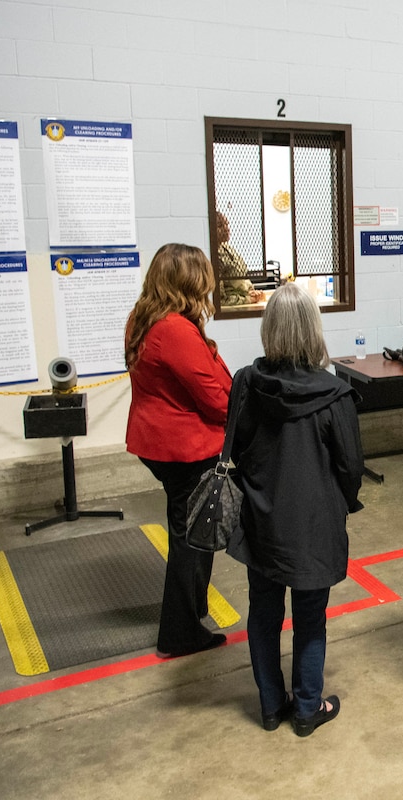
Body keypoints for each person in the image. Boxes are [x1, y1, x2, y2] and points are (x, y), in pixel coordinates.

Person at [227, 283, 364, 736]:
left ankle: (270, 706)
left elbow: (234, 448)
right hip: (313, 524)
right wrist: (341, 503)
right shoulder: (334, 393)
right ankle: (308, 708)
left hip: (260, 519)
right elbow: (350, 466)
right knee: (310, 617)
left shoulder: (246, 382)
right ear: (313, 331)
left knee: (263, 613)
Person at [125, 243, 232, 658]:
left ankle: (190, 615)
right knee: (192, 538)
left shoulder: (142, 318)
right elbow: (214, 397)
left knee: (189, 532)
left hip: (158, 442)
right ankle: (180, 631)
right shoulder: (174, 329)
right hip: (184, 447)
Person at [215, 211, 257, 306]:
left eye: (227, 224)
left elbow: (242, 276)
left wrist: (249, 292)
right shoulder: (215, 257)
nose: (226, 229)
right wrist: (247, 300)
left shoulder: (228, 248)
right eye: (220, 226)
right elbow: (220, 300)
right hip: (234, 305)